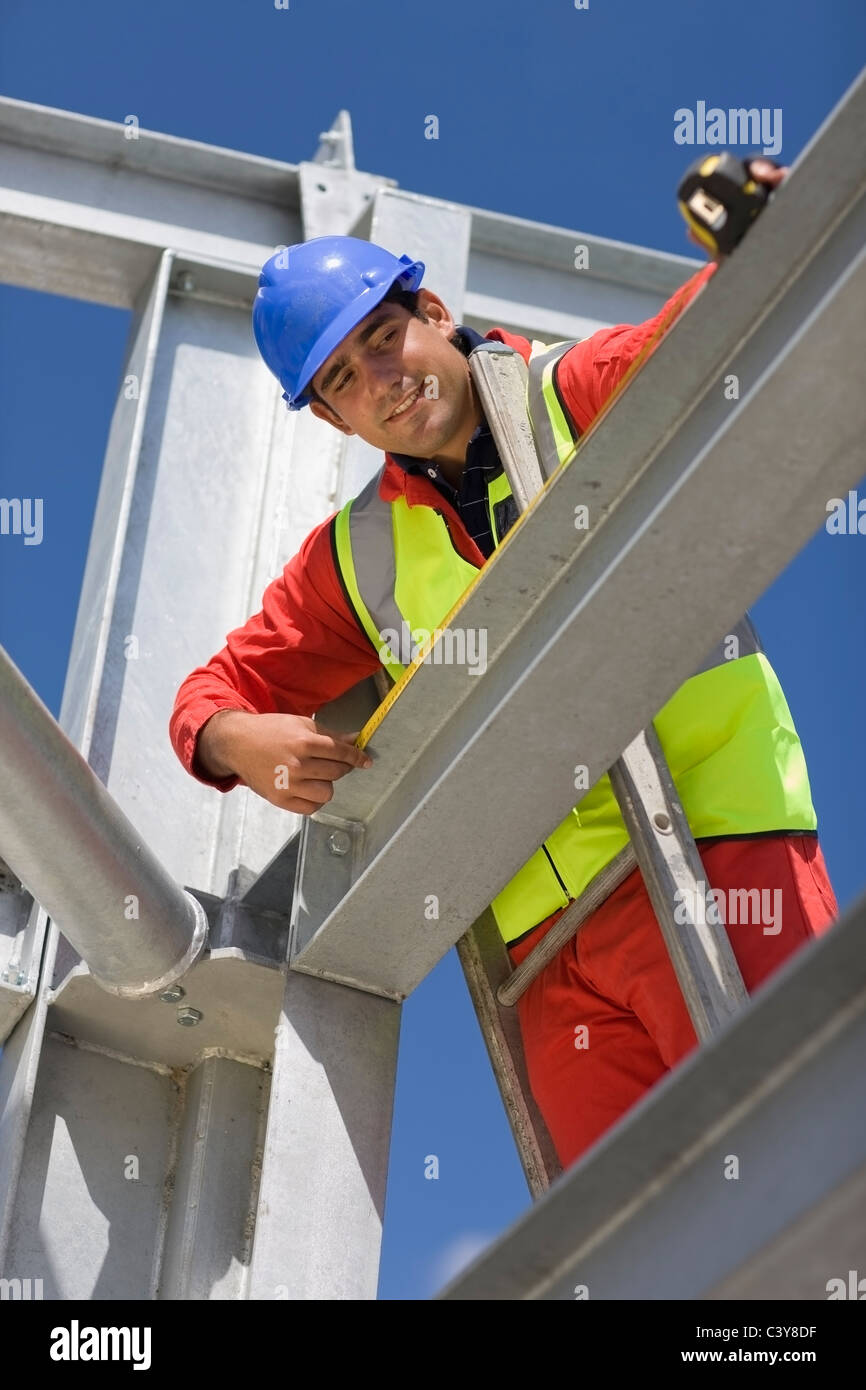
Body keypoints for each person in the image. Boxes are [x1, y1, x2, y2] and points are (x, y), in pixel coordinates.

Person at [169, 157, 838, 1171]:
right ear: (329, 419)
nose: (382, 382)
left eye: (383, 338)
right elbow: (212, 694)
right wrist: (230, 737)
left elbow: (703, 339)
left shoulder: (573, 392)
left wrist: (760, 237)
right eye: (343, 379)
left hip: (716, 848)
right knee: (645, 1253)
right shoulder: (354, 559)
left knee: (817, 1159)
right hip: (543, 951)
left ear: (433, 311)